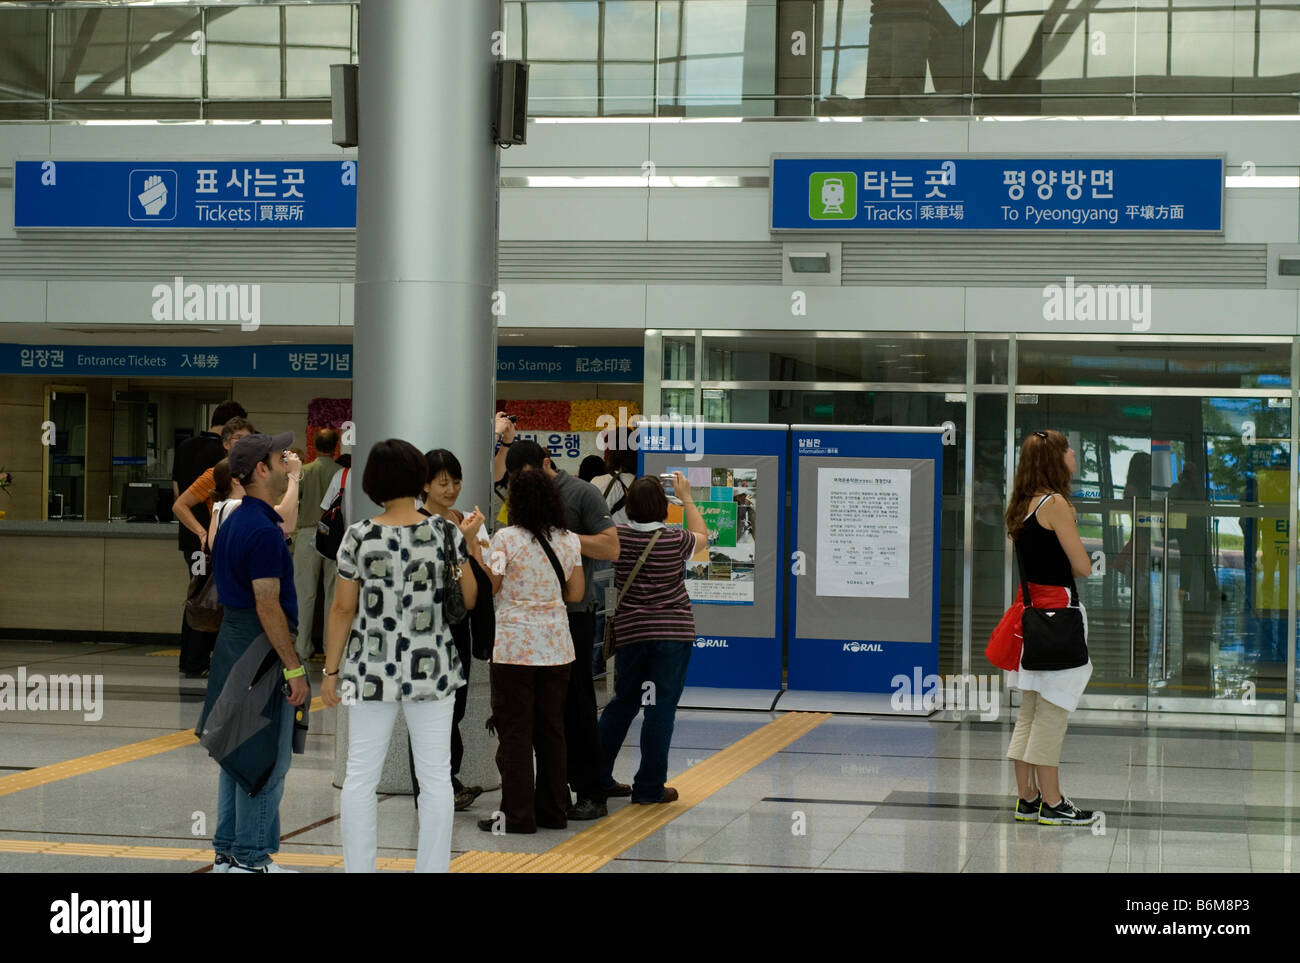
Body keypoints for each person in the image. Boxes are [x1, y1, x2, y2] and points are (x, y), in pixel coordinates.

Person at [321, 439, 483, 873]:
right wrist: (463, 548)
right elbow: (468, 599)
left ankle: (360, 869)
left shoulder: (359, 535)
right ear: (418, 480)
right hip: (432, 670)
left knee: (360, 777)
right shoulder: (445, 532)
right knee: (435, 780)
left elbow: (342, 609)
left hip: (370, 669)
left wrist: (330, 671)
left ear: (373, 482)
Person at [198, 431, 307, 873]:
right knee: (266, 758)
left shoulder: (232, 521)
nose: (286, 466)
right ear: (260, 470)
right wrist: (294, 667)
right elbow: (268, 604)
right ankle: (251, 859)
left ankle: (227, 851)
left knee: (233, 751)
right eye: (280, 460)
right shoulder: (262, 531)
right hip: (259, 653)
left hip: (231, 646)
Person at [498, 436, 621, 819]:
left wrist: (558, 538)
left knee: (576, 706)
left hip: (571, 617)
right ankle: (553, 798)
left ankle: (589, 789)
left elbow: (611, 548)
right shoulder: (513, 507)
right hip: (535, 628)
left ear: (547, 463)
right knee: (542, 719)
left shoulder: (583, 493)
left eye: (526, 478)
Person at [479, 469, 585, 834]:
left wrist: (473, 549)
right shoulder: (569, 540)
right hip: (557, 648)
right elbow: (576, 594)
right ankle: (555, 812)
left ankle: (519, 816)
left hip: (513, 649)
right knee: (552, 731)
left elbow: (491, 586)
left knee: (516, 733)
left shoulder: (504, 539)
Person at [1005, 429, 1097, 827]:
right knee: (1053, 712)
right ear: (1054, 460)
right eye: (1066, 449)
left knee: (1030, 710)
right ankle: (1054, 802)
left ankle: (1027, 798)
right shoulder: (1056, 503)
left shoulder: (1022, 504)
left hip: (1032, 618)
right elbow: (1082, 566)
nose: (1073, 453)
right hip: (1059, 615)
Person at [598, 473, 709, 804]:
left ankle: (598, 777)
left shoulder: (619, 538)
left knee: (622, 705)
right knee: (660, 709)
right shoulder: (676, 540)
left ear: (629, 507)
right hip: (672, 635)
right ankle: (649, 788)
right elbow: (704, 536)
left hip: (633, 635)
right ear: (663, 507)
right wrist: (686, 496)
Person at [414, 448, 491, 811]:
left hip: (457, 626)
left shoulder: (458, 523)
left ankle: (445, 783)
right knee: (434, 711)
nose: (451, 489)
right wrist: (463, 540)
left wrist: (469, 539)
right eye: (442, 482)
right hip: (430, 631)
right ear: (425, 484)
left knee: (454, 709)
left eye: (456, 482)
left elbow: (474, 581)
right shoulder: (419, 525)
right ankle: (434, 788)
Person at [173, 400, 246, 677]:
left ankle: (192, 660)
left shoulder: (186, 447)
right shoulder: (221, 465)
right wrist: (204, 531)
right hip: (206, 542)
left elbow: (176, 489)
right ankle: (196, 660)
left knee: (199, 595)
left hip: (193, 539)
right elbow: (182, 499)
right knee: (205, 597)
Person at [292, 428, 343, 661]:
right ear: (336, 445)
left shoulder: (305, 471)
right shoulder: (342, 473)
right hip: (335, 536)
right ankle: (330, 645)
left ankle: (302, 646)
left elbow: (292, 500)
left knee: (305, 594)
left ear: (314, 443)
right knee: (333, 594)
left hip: (307, 533)